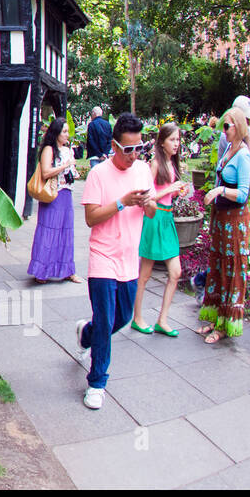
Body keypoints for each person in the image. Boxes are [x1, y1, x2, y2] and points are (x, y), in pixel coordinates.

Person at [76, 112, 156, 410]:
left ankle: (87, 333)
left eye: (139, 148)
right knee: (107, 318)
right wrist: (122, 202)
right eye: (128, 149)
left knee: (121, 318)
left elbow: (150, 213)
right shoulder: (99, 174)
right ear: (114, 145)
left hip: (128, 259)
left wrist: (147, 204)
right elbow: (90, 218)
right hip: (103, 257)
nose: (134, 155)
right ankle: (97, 382)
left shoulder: (143, 171)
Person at [199, 107, 250, 343]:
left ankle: (224, 326)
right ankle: (216, 319)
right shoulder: (229, 150)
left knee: (232, 270)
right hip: (221, 219)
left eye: (227, 126)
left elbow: (243, 193)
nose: (224, 130)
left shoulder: (243, 155)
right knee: (219, 267)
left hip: (235, 221)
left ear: (239, 126)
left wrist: (220, 190)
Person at [132, 122, 189, 336]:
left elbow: (166, 194)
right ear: (162, 142)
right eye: (173, 140)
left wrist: (176, 192)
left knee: (176, 272)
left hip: (167, 219)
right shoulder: (155, 163)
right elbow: (145, 196)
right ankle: (137, 317)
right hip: (154, 218)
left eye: (178, 140)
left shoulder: (171, 163)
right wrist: (170, 188)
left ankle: (162, 320)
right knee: (144, 275)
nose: (177, 144)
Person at [27, 117, 83, 284]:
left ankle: (67, 270)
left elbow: (68, 170)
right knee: (48, 232)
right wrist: (65, 166)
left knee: (66, 232)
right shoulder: (49, 150)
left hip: (66, 193)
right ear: (56, 133)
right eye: (64, 131)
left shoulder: (67, 150)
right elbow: (45, 172)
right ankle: (41, 271)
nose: (67, 135)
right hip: (53, 195)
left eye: (67, 132)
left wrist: (72, 172)